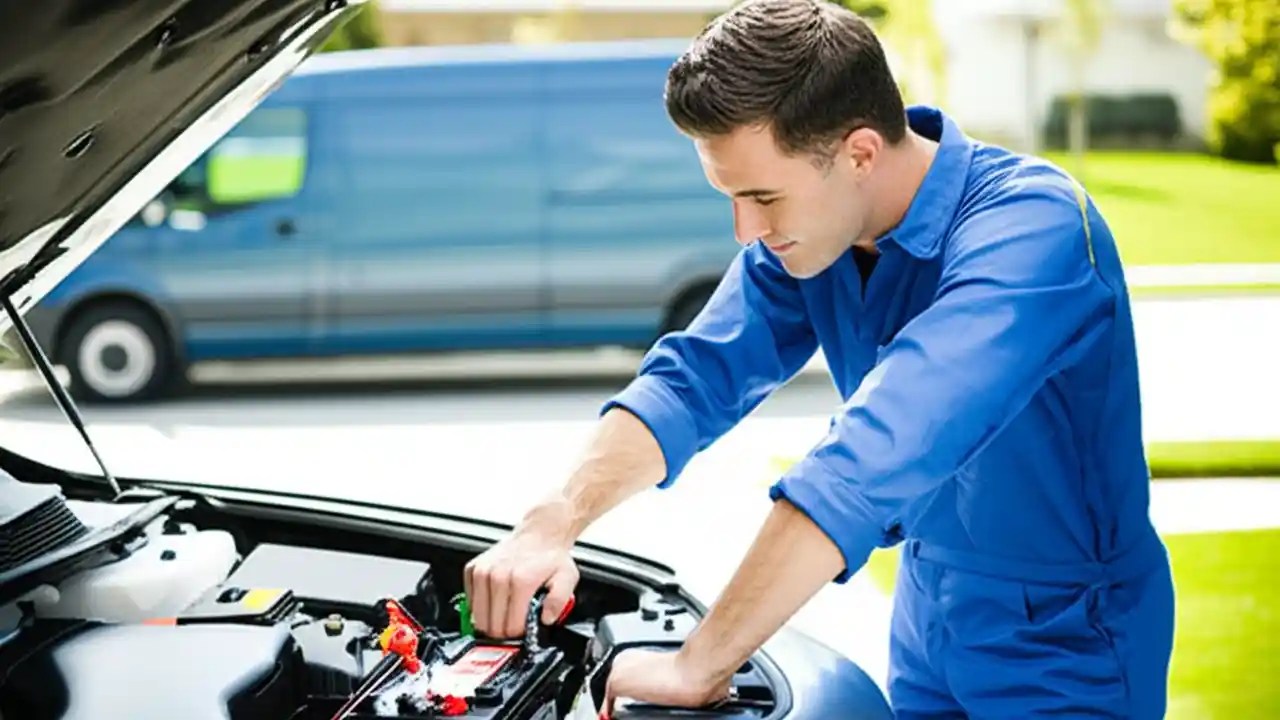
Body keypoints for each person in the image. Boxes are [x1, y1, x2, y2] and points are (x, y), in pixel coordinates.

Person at [463, 0, 1175, 717]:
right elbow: (691, 380)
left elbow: (872, 456)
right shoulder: (817, 234)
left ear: (860, 152)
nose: (747, 231)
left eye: (763, 196)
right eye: (732, 197)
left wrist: (703, 661)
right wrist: (551, 522)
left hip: (1070, 636)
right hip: (928, 610)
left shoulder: (1035, 231)